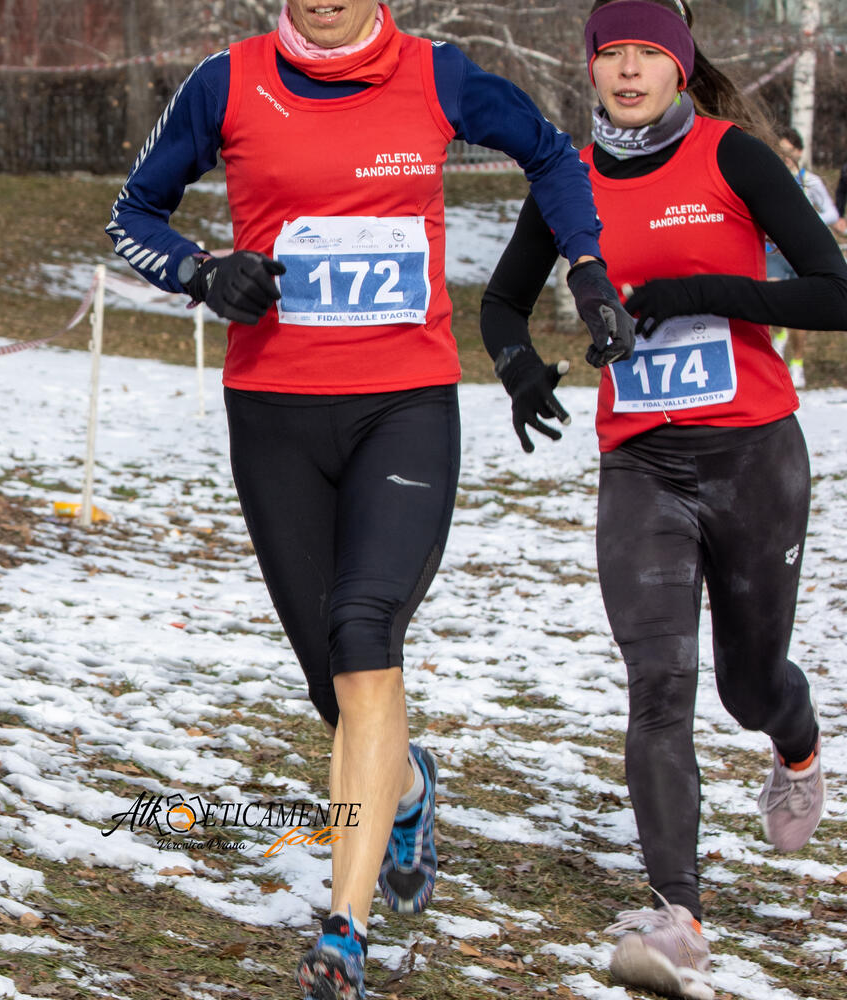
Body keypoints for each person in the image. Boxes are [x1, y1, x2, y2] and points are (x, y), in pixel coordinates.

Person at [105, 3, 630, 996]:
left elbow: (556, 155)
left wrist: (588, 264)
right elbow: (131, 216)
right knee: (332, 689)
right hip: (274, 417)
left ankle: (342, 932)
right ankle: (411, 785)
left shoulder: (441, 76)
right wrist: (204, 273)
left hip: (404, 406)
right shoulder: (226, 82)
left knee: (364, 628)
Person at [481, 1, 847, 997]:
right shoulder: (570, 179)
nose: (630, 72)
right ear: (591, 66)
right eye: (613, 55)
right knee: (658, 683)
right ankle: (678, 914)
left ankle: (797, 738)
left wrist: (697, 294)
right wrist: (519, 368)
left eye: (649, 54)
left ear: (680, 67)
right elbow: (501, 298)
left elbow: (833, 291)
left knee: (745, 683)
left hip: (753, 459)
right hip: (640, 465)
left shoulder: (735, 159)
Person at [768, 126, 843, 387]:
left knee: (800, 310)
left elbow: (832, 214)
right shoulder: (769, 180)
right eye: (780, 152)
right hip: (774, 252)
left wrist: (807, 222)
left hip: (802, 254)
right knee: (773, 296)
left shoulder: (811, 181)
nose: (785, 157)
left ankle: (797, 364)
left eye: (789, 152)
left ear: (799, 152)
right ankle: (779, 334)